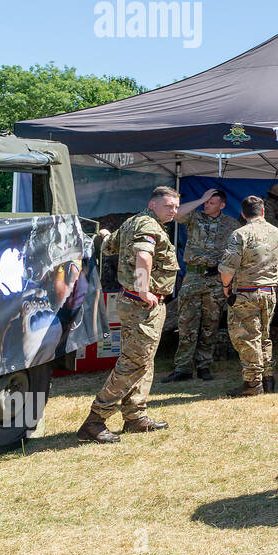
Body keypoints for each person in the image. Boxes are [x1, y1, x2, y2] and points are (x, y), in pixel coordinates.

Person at [77, 185, 181, 443]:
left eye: (176, 207)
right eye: (168, 206)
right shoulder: (148, 225)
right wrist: (145, 289)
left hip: (136, 303)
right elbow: (144, 256)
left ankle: (135, 415)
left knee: (143, 360)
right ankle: (95, 421)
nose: (173, 211)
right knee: (133, 363)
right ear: (153, 204)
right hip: (142, 305)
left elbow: (110, 245)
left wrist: (103, 233)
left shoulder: (133, 222)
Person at [165, 187, 236, 383]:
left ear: (222, 205)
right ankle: (183, 367)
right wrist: (200, 198)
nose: (207, 205)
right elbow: (176, 214)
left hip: (215, 279)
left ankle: (204, 365)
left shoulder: (230, 224)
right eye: (206, 202)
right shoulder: (194, 217)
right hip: (193, 276)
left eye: (211, 202)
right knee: (186, 323)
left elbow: (237, 250)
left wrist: (223, 269)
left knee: (210, 324)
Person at [220, 196, 278, 397]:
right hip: (269, 291)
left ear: (243, 214)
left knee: (247, 336)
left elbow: (227, 267)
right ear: (263, 212)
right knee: (265, 336)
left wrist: (226, 286)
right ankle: (268, 379)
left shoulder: (240, 234)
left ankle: (252, 383)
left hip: (246, 292)